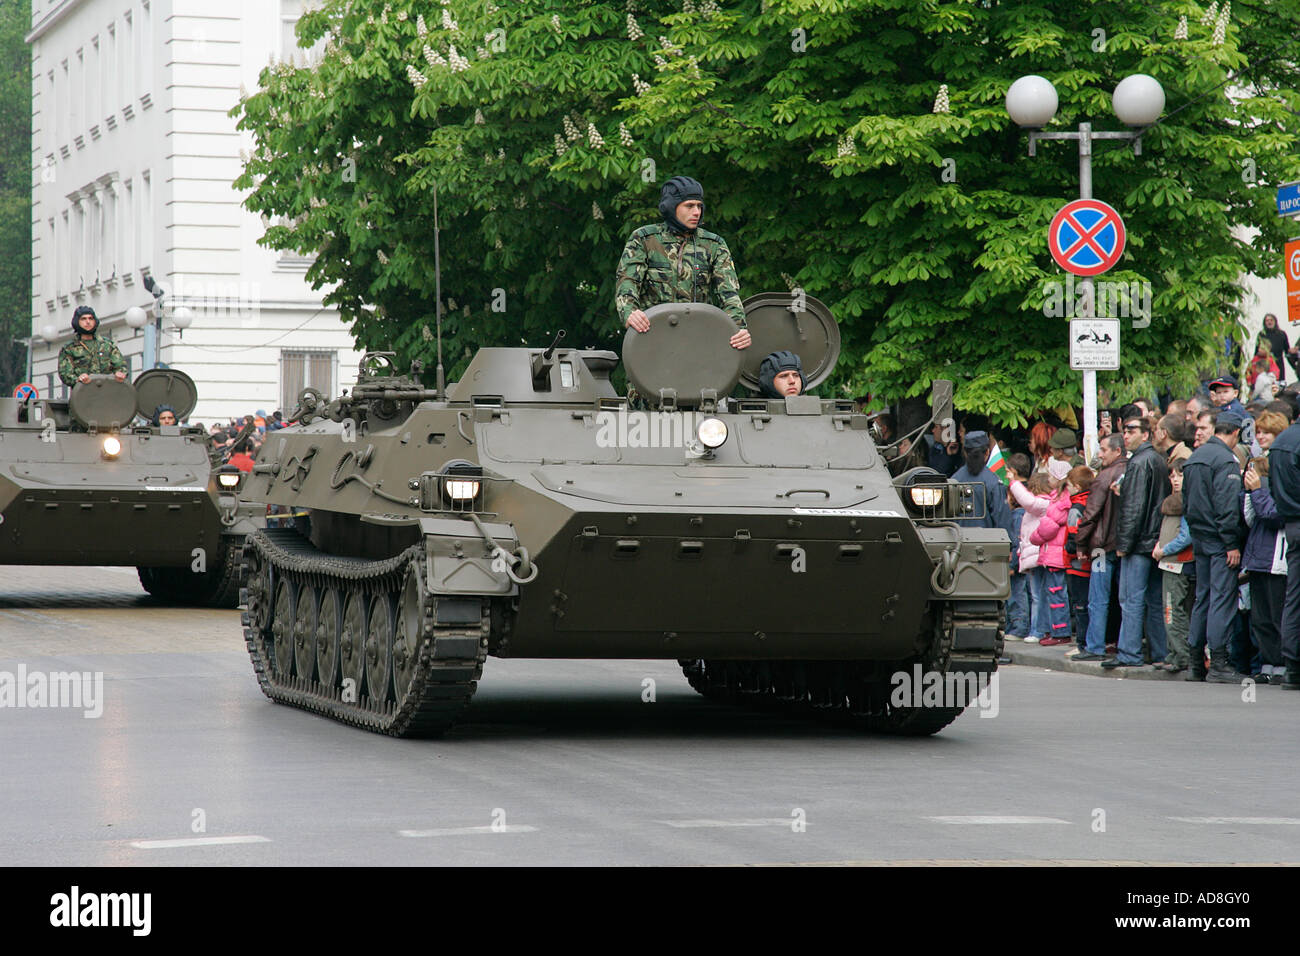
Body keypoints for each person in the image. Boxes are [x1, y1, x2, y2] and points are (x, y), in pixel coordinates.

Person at [615, 175, 751, 350]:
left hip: (699, 340)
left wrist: (738, 329)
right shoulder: (645, 240)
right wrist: (630, 313)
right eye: (689, 206)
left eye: (699, 206)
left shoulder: (713, 244)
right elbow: (627, 283)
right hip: (652, 338)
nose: (697, 212)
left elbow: (729, 294)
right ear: (671, 207)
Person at [1183, 410, 1249, 683]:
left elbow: (1187, 503)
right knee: (1221, 599)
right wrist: (1231, 542)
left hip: (1200, 537)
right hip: (1219, 540)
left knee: (1203, 598)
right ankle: (1219, 663)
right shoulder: (1225, 460)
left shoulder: (1194, 458)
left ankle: (1196, 663)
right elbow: (1227, 506)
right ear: (1234, 433)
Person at [1107, 415, 1170, 668]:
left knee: (1131, 599)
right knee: (1153, 601)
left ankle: (1129, 653)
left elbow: (1134, 507)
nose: (1126, 434)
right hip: (1153, 540)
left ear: (1146, 434)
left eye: (1132, 430)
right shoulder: (1156, 459)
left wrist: (1124, 544)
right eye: (1124, 430)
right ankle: (1160, 653)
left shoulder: (1139, 462)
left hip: (1139, 541)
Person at [1075, 434, 1127, 660]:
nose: (1099, 454)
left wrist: (1080, 543)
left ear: (1117, 451)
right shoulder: (1130, 470)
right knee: (1124, 600)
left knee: (1098, 599)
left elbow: (1090, 514)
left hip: (1101, 546)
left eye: (1104, 450)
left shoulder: (1104, 476)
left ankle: (1095, 646)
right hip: (1124, 544)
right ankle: (1120, 645)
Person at [1241, 456, 1288, 682]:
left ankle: (1282, 664)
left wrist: (1258, 491)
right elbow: (1251, 518)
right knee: (1260, 618)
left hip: (1276, 563)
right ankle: (1268, 663)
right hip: (1258, 560)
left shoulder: (1283, 489)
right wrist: (1249, 493)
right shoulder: (1258, 491)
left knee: (1277, 616)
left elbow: (1273, 516)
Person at [1267, 413, 1300, 689]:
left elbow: (1275, 490)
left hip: (1291, 524)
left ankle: (1292, 666)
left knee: (1294, 594)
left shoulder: (1281, 442)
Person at [1152, 460, 1194, 672]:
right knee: (1176, 609)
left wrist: (1163, 549)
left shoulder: (1187, 501)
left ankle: (1181, 656)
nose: (1175, 480)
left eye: (1179, 475)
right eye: (1172, 476)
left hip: (1178, 563)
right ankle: (1173, 654)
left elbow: (1186, 536)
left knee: (1173, 610)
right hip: (1172, 563)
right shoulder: (1176, 500)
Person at [951, 431, 1015, 544]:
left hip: (957, 545)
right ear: (987, 452)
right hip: (987, 547)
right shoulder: (993, 482)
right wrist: (1010, 545)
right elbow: (1002, 519)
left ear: (965, 453)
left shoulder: (954, 480)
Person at [58, 306, 128, 387]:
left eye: (91, 318)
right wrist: (77, 379)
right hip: (83, 393)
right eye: (83, 319)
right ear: (77, 321)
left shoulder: (106, 345)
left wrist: (120, 374)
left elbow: (120, 366)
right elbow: (65, 374)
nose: (88, 322)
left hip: (108, 391)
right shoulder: (69, 348)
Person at [1261, 312, 1298, 381]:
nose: (1269, 322)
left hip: (1279, 365)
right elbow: (1256, 352)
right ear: (1264, 323)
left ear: (1275, 321)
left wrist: (1295, 367)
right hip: (1266, 365)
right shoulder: (1261, 335)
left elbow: (1287, 352)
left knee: (1280, 386)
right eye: (1267, 320)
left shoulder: (1282, 334)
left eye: (1271, 320)